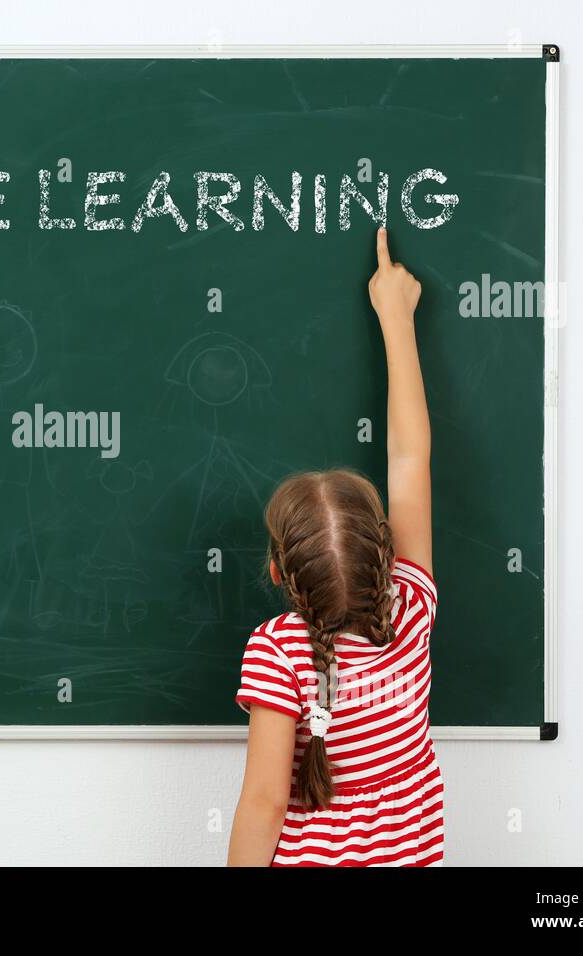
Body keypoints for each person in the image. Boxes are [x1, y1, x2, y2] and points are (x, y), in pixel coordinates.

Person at [227, 227, 443, 866]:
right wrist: (396, 320)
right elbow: (409, 457)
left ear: (277, 570)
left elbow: (265, 804)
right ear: (384, 552)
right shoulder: (410, 606)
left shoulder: (279, 653)